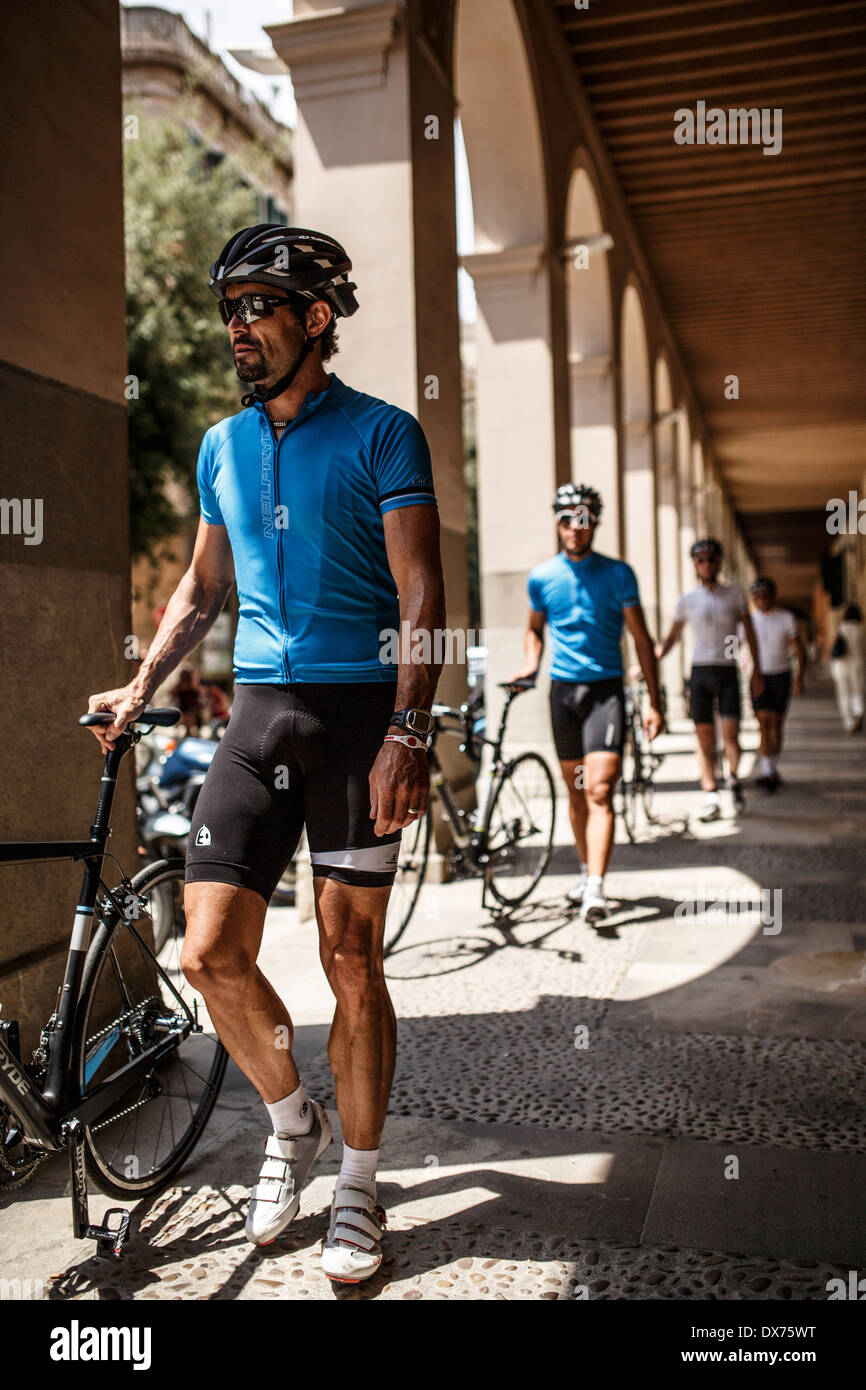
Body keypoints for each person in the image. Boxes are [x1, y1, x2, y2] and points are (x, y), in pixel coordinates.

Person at [87, 224, 445, 1283]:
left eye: (257, 305)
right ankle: (294, 1124)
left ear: (315, 318)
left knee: (349, 960)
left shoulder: (384, 433)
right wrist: (141, 683)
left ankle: (360, 1183)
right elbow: (203, 588)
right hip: (258, 713)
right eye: (228, 309)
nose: (237, 327)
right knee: (206, 954)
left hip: (354, 718)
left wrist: (406, 730)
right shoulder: (219, 445)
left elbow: (421, 591)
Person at [511, 484, 663, 924]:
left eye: (583, 518)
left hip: (605, 693)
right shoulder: (542, 577)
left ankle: (595, 887)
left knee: (599, 788)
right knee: (576, 792)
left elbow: (642, 639)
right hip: (563, 694)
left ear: (594, 522)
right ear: (557, 524)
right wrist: (530, 664)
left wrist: (655, 701)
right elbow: (534, 629)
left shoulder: (619, 574)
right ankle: (585, 870)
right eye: (566, 519)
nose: (575, 528)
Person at [656, 538, 764, 822]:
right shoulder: (687, 600)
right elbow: (673, 637)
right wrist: (651, 660)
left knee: (731, 736)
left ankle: (732, 777)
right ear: (694, 564)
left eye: (711, 559)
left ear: (719, 562)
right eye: (700, 559)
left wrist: (758, 670)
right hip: (700, 671)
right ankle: (710, 793)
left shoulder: (735, 594)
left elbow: (749, 632)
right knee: (704, 739)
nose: (706, 564)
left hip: (727, 669)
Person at [743, 577, 806, 790]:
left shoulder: (786, 618)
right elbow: (732, 641)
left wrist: (800, 677)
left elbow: (799, 649)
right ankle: (767, 771)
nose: (761, 599)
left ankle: (773, 766)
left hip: (781, 675)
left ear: (773, 596)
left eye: (765, 595)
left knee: (777, 723)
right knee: (763, 721)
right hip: (758, 677)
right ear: (753, 599)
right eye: (757, 596)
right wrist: (730, 661)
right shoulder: (747, 620)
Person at [830, 603, 865, 734]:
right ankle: (859, 711)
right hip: (858, 663)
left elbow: (833, 645)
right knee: (858, 691)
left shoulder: (841, 627)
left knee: (844, 693)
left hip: (841, 664)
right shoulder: (862, 629)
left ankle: (849, 722)